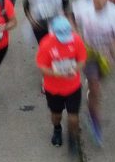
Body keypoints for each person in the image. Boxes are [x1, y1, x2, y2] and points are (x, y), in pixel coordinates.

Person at [37, 14, 88, 153]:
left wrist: (75, 69)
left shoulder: (76, 40)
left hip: (73, 87)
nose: (65, 40)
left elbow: (82, 59)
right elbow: (42, 67)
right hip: (53, 88)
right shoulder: (46, 44)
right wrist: (57, 74)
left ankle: (72, 138)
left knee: (73, 117)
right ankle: (57, 129)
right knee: (56, 115)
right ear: (53, 32)